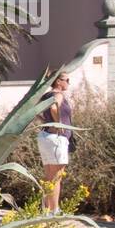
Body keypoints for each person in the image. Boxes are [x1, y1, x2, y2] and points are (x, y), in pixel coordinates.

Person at [36, 72, 73, 213]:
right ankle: (54, 209)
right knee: (57, 176)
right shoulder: (58, 95)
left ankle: (46, 208)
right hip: (56, 138)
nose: (69, 83)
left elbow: (36, 112)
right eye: (67, 80)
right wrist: (58, 124)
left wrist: (46, 122)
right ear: (58, 81)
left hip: (45, 136)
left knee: (49, 175)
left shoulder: (45, 96)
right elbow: (53, 107)